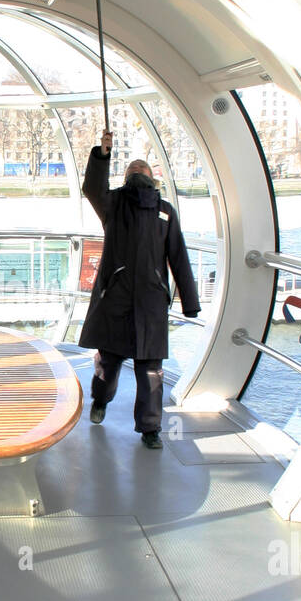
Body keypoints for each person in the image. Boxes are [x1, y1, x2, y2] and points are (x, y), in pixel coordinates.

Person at [79, 130, 200, 449]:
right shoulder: (113, 204)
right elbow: (92, 188)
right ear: (125, 178)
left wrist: (191, 303)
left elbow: (178, 256)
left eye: (140, 169)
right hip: (117, 298)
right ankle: (100, 401)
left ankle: (150, 428)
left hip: (149, 303)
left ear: (152, 177)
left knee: (151, 372)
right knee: (108, 363)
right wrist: (102, 155)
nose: (136, 172)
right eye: (131, 170)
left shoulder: (165, 212)